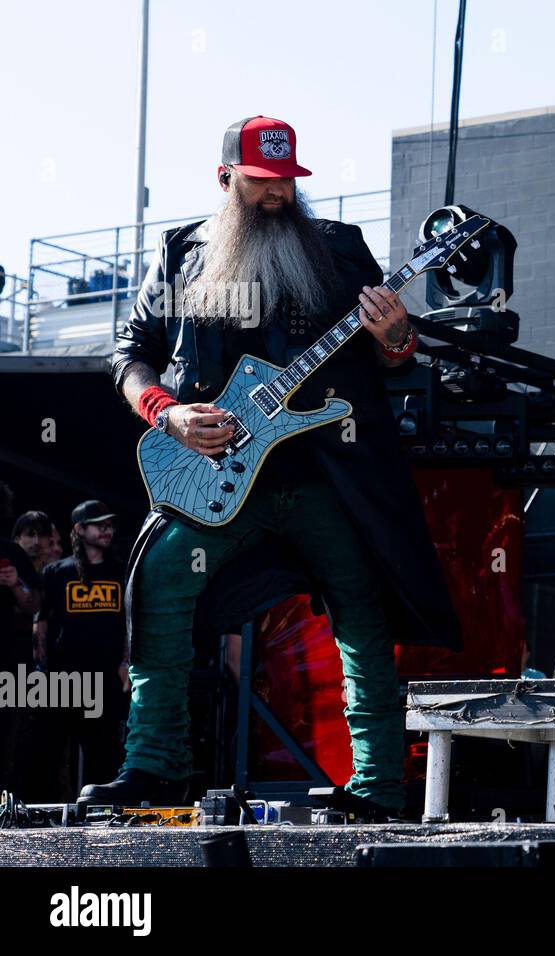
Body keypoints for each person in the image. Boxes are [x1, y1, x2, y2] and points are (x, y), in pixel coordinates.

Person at [87, 115, 462, 816]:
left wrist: (397, 334)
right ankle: (155, 764)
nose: (277, 196)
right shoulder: (181, 254)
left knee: (363, 613)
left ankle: (380, 785)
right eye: (262, 183)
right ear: (226, 178)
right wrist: (168, 412)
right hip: (218, 474)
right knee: (160, 580)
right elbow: (127, 353)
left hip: (325, 476)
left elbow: (395, 359)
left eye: (287, 183)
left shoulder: (340, 250)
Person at [34, 501, 128, 798]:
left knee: (103, 755)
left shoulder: (120, 570)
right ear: (79, 529)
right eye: (99, 524)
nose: (107, 530)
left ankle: (96, 818)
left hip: (104, 679)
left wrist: (126, 662)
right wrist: (41, 670)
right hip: (63, 678)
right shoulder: (56, 573)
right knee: (50, 752)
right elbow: (42, 624)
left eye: (109, 525)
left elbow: (131, 623)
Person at [0, 487, 41, 793]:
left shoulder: (10, 553)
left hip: (7, 663)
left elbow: (36, 605)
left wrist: (15, 586)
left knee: (6, 739)